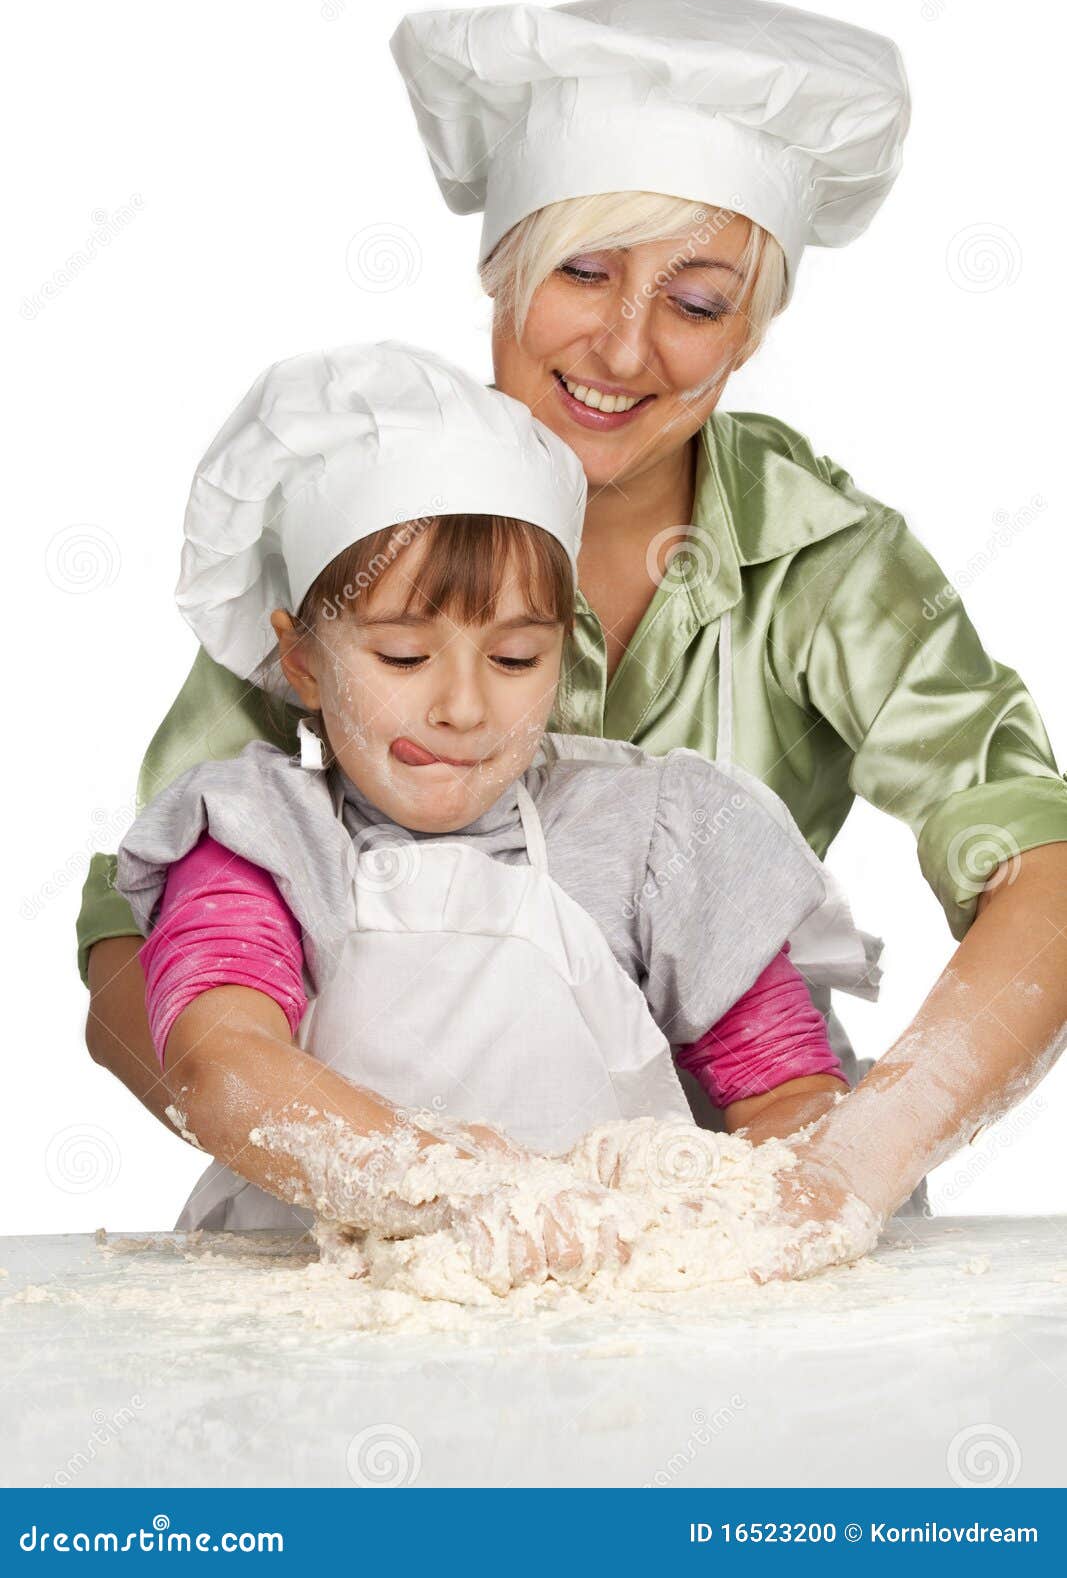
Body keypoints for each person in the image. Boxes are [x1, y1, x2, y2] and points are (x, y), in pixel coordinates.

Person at [83, 0, 1067, 1270]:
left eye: (697, 302)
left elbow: (1039, 870)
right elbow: (147, 941)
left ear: (753, 327)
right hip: (372, 1233)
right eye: (582, 273)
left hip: (732, 1237)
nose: (623, 346)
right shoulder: (357, 518)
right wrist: (339, 1147)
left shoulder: (830, 563)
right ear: (502, 267)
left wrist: (845, 1163)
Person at [113, 340, 864, 1287]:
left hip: (614, 1321)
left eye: (514, 659)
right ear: (302, 661)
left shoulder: (654, 836)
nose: (463, 708)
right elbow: (221, 1064)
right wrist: (461, 1190)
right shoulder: (256, 838)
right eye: (402, 657)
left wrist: (721, 1231)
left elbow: (793, 1101)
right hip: (317, 1323)